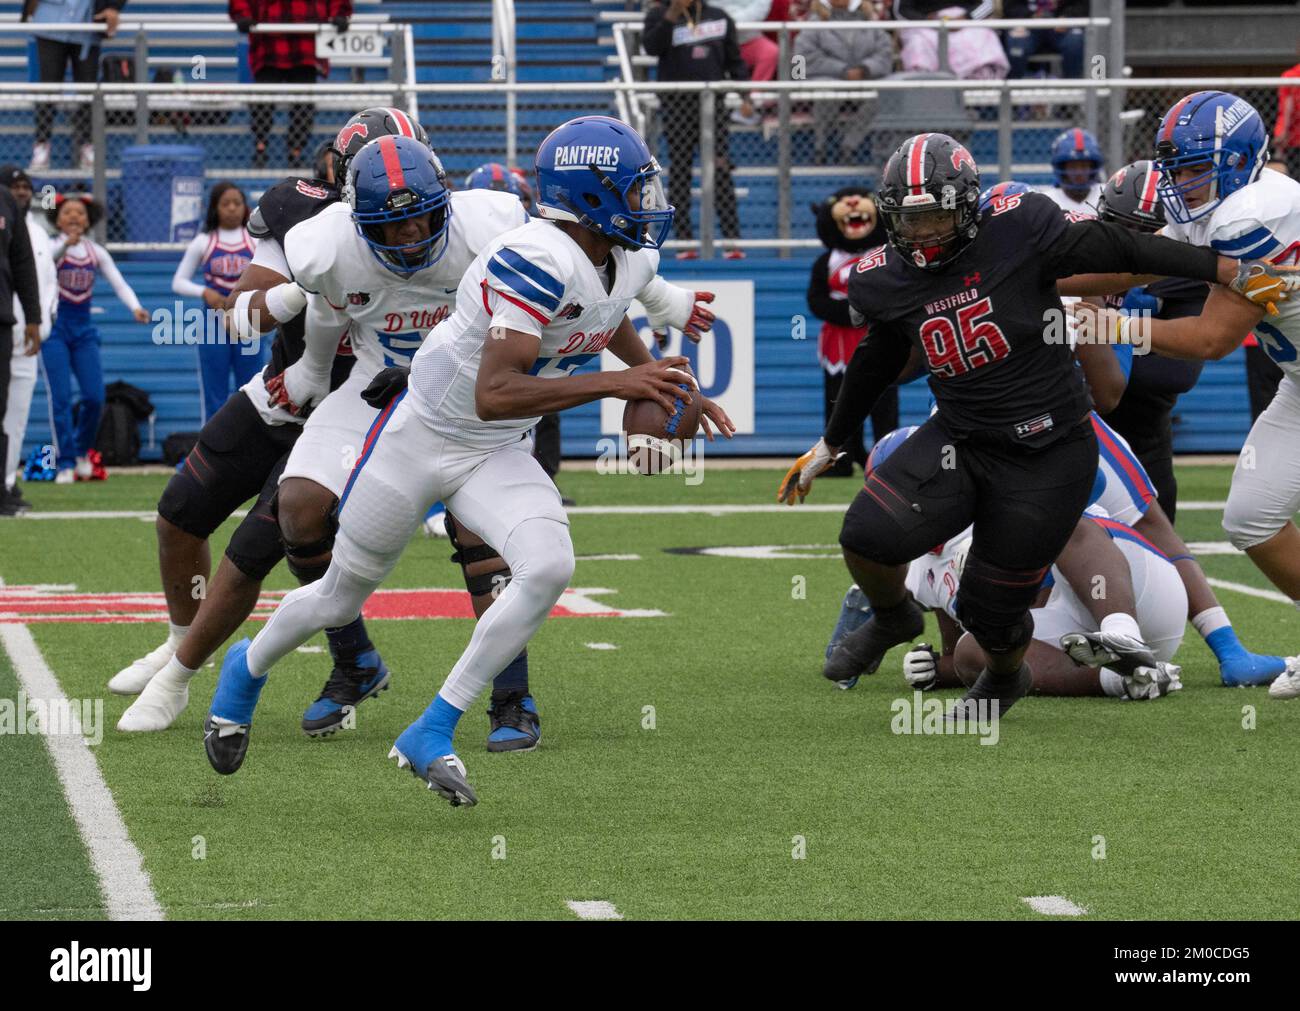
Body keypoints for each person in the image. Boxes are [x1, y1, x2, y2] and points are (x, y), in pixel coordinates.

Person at [203, 116, 734, 805]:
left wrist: (667, 386)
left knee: (548, 565)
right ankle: (246, 667)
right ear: (592, 197)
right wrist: (622, 383)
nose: (647, 202)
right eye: (634, 191)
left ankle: (434, 724)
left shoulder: (622, 255)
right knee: (340, 592)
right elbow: (495, 391)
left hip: (494, 448)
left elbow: (603, 312)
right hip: (422, 437)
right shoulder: (533, 257)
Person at [779, 131, 1285, 719]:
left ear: (967, 207)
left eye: (937, 217)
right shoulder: (882, 275)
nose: (923, 235)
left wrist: (1225, 268)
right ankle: (894, 615)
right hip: (963, 437)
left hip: (1049, 448)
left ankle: (1002, 678)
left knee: (989, 609)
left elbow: (1122, 250)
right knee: (864, 535)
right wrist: (833, 442)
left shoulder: (1019, 229)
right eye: (909, 221)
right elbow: (877, 355)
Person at [113, 108, 418, 730]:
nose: (396, 192)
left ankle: (180, 678)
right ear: (339, 169)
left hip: (354, 412)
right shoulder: (305, 217)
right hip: (283, 392)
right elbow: (243, 316)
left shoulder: (439, 229)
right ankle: (181, 638)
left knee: (253, 548)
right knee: (179, 515)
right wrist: (308, 287)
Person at [1067, 92, 1300, 700]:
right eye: (1172, 166)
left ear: (1238, 161)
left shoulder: (1254, 214)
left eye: (1193, 167)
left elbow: (1209, 339)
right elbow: (1132, 268)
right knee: (1251, 519)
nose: (1178, 182)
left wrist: (1105, 326)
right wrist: (1029, 277)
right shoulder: (1213, 204)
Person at [43, 190, 149, 483]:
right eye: (67, 212)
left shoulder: (95, 251)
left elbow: (119, 282)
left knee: (94, 396)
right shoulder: (51, 246)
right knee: (61, 397)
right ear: (57, 219)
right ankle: (64, 461)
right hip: (55, 329)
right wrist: (65, 246)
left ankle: (81, 451)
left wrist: (136, 307)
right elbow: (45, 264)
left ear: (89, 219)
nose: (74, 216)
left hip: (83, 329)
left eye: (80, 213)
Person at [643, 0, 751, 260]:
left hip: (713, 109)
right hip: (677, 108)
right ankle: (684, 241)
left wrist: (746, 95)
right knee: (680, 172)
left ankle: (732, 241)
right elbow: (651, 47)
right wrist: (672, 14)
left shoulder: (720, 16)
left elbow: (734, 60)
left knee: (721, 171)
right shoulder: (658, 15)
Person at [805, 185, 894, 474]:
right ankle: (841, 456)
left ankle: (887, 453)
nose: (853, 203)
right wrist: (851, 313)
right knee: (839, 400)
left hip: (882, 336)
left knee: (883, 399)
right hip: (839, 342)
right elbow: (816, 299)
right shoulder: (827, 262)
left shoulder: (889, 255)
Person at [171, 182, 261, 422]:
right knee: (214, 392)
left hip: (248, 321)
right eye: (225, 204)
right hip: (214, 322)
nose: (232, 208)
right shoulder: (203, 241)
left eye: (237, 203)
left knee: (251, 390)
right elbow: (178, 282)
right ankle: (212, 453)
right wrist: (204, 292)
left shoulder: (255, 240)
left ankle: (251, 451)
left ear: (245, 208)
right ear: (214, 208)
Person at [228, 0, 352, 168]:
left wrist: (339, 14)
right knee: (261, 101)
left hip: (305, 45)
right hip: (268, 45)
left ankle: (295, 150)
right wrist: (243, 16)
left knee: (304, 105)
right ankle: (261, 147)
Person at [1, 165, 57, 516]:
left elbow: (44, 281)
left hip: (22, 335)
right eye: (14, 185)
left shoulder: (38, 231)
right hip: (8, 324)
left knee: (15, 414)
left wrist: (41, 319)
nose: (21, 191)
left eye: (26, 186)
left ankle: (6, 480)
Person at [22, 0, 126, 172]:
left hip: (88, 24)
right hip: (51, 21)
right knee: (48, 88)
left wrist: (112, 7)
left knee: (88, 89)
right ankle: (41, 145)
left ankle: (87, 145)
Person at [795, 0, 895, 165]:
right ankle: (821, 147)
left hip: (866, 77)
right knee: (826, 91)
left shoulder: (870, 21)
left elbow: (885, 52)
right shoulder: (814, 22)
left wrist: (865, 68)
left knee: (882, 96)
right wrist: (842, 70)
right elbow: (803, 58)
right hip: (828, 77)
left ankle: (849, 146)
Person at [0, 181, 41, 516]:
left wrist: (33, 317)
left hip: (1, 319)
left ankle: (2, 488)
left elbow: (23, 262)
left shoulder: (5, 201)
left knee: (1, 407)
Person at [892, 1, 1008, 80]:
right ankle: (926, 86)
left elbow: (987, 4)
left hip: (967, 24)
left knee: (984, 37)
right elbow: (900, 10)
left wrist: (966, 18)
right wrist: (928, 21)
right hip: (924, 26)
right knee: (917, 44)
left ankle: (977, 88)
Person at [1002, 1, 1087, 81]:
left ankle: (1072, 88)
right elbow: (1010, 7)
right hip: (1028, 23)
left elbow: (1081, 6)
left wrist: (1067, 17)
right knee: (1016, 45)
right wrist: (1026, 17)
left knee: (1074, 42)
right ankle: (1014, 90)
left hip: (1061, 24)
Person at [1038, 127, 1104, 216]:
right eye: (1073, 167)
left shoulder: (1107, 195)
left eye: (1084, 166)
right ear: (1062, 167)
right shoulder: (1047, 202)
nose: (1079, 172)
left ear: (1092, 166)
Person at [1272, 39, 1300, 179]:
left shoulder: (1290, 76)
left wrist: (1281, 133)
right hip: (1295, 140)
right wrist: (1281, 133)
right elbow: (1286, 108)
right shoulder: (1290, 77)